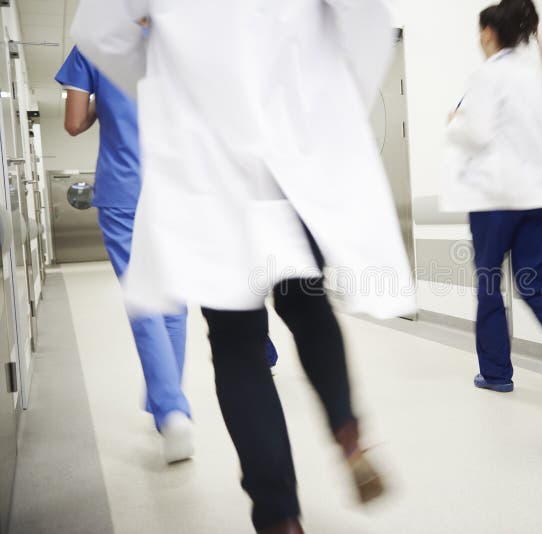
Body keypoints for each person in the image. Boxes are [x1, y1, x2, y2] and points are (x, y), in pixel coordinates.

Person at [71, 1, 415, 533]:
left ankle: (279, 517)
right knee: (308, 304)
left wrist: (168, 78)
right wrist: (328, 109)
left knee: (237, 344)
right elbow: (367, 21)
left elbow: (99, 31)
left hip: (210, 162)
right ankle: (349, 436)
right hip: (293, 153)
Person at [442, 0, 542, 398]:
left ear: (488, 32)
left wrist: (455, 122)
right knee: (533, 281)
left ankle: (496, 373)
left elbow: (476, 133)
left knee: (488, 281)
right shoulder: (538, 78)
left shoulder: (486, 75)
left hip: (496, 198)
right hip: (539, 195)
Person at [56, 46, 194, 465]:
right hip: (176, 190)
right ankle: (165, 407)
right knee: (173, 303)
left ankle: (171, 411)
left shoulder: (91, 46)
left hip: (123, 191)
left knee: (144, 300)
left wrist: (104, 96)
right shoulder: (177, 35)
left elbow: (75, 123)